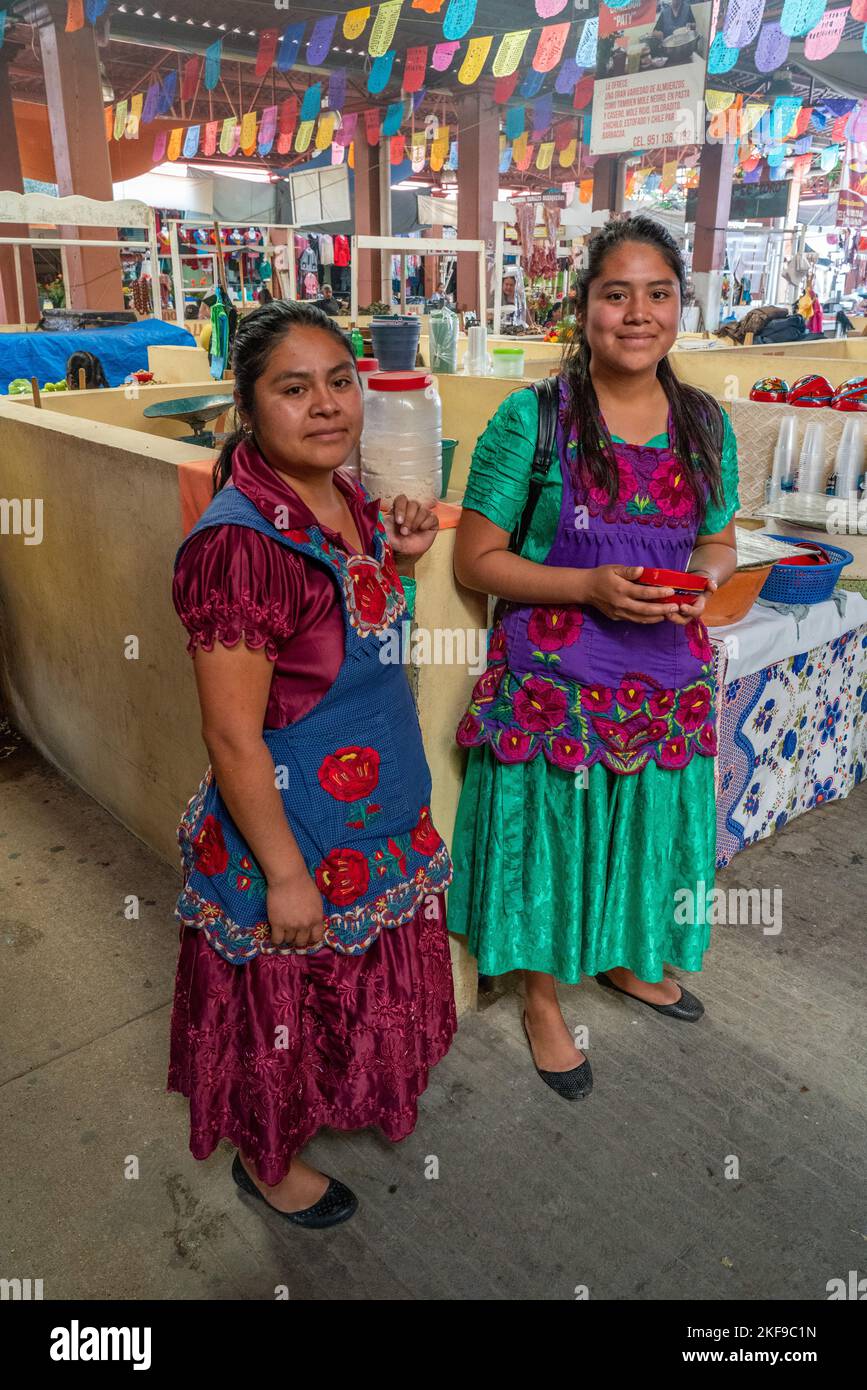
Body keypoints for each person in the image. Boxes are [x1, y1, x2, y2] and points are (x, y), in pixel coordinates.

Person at [170, 301, 456, 1225]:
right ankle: (267, 1158)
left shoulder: (345, 499)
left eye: (341, 381)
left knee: (348, 997)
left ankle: (336, 1101)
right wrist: (286, 876)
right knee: (285, 1005)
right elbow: (231, 734)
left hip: (374, 814)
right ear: (249, 410)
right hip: (292, 831)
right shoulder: (239, 546)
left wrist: (400, 562)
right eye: (294, 389)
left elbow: (350, 644)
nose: (327, 405)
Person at [450, 216, 739, 1100]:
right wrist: (587, 588)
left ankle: (620, 958)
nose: (637, 313)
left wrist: (700, 575)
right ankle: (541, 1001)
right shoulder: (530, 418)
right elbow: (477, 559)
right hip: (554, 689)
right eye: (616, 294)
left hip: (665, 682)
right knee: (550, 843)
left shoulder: (702, 422)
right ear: (583, 309)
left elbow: (721, 538)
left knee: (640, 835)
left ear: (678, 310)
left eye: (658, 294)